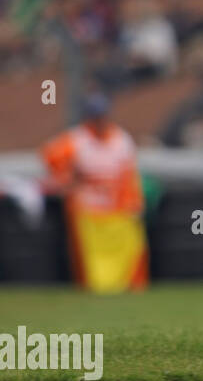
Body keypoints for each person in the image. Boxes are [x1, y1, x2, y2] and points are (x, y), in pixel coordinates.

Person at [41, 93, 148, 292]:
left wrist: (134, 200)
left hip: (117, 208)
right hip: (88, 208)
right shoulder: (77, 139)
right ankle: (96, 288)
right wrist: (68, 179)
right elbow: (50, 156)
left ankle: (130, 286)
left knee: (131, 248)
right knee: (91, 259)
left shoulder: (121, 139)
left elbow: (129, 174)